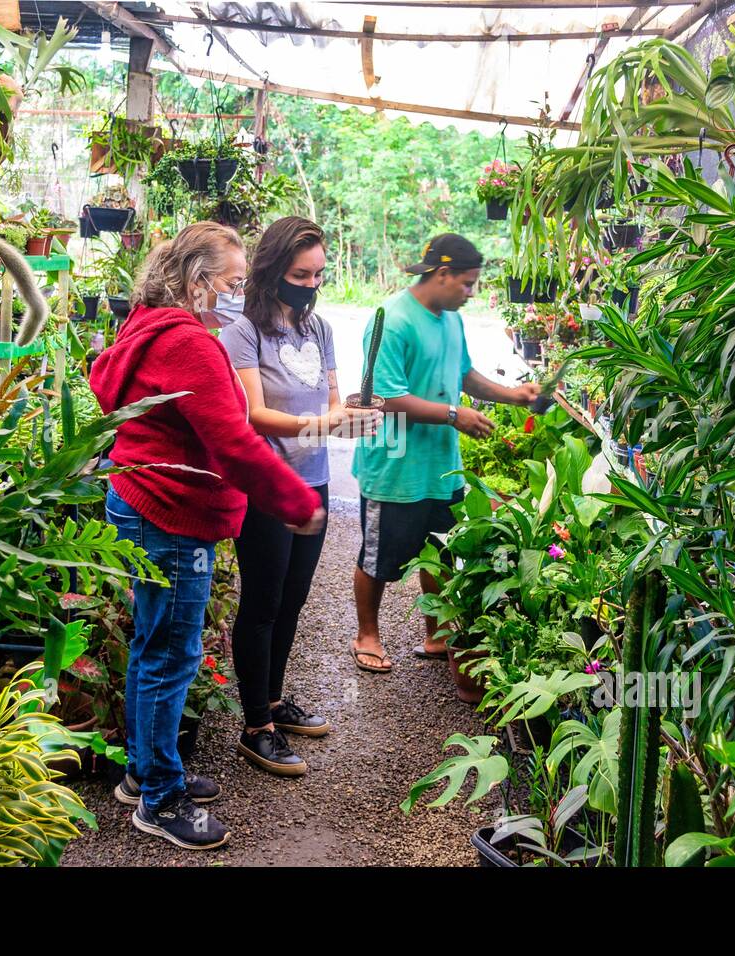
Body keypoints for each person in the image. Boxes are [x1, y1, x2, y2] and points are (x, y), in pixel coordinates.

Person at [89, 221, 326, 851]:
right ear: (197, 284)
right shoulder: (190, 343)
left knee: (152, 645)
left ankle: (145, 773)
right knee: (171, 655)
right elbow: (233, 440)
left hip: (140, 497)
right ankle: (160, 800)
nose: (237, 292)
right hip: (171, 512)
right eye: (232, 282)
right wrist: (294, 500)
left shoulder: (147, 322)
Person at [218, 217, 381, 777]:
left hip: (313, 479)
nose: (311, 285)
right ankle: (255, 725)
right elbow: (255, 415)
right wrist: (328, 423)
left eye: (318, 275)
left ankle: (275, 699)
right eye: (299, 274)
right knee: (261, 603)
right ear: (271, 271)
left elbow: (333, 404)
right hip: (266, 485)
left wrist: (353, 417)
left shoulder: (321, 331)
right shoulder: (242, 332)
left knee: (292, 601)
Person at [350, 234, 540, 672]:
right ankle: (367, 635)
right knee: (379, 558)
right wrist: (454, 416)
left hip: (442, 469)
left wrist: (512, 396)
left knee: (441, 551)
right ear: (441, 274)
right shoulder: (393, 320)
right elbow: (385, 397)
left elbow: (464, 373)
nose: (471, 293)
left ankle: (436, 635)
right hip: (395, 468)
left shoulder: (449, 319)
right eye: (467, 284)